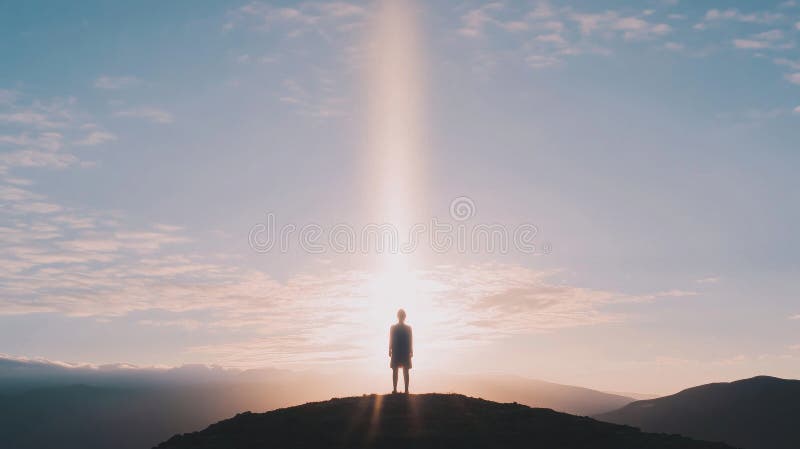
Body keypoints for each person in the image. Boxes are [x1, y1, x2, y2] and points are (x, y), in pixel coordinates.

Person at [389, 308, 413, 394]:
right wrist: (389, 349)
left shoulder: (408, 328)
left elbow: (410, 339)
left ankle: (406, 389)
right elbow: (390, 338)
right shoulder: (393, 327)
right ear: (398, 316)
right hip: (397, 350)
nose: (401, 317)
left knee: (405, 370)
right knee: (396, 370)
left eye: (402, 316)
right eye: (400, 315)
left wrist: (411, 350)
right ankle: (395, 389)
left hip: (404, 350)